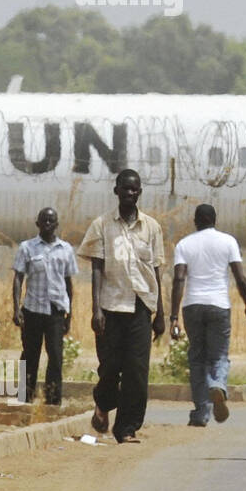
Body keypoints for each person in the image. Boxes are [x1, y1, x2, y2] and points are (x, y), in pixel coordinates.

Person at [77, 169, 165, 444]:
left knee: (137, 372)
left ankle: (126, 428)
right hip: (111, 306)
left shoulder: (151, 227)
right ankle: (103, 405)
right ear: (116, 191)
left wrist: (160, 312)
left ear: (140, 192)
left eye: (135, 189)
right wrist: (96, 310)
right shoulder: (102, 225)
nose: (130, 193)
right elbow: (96, 269)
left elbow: (156, 270)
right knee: (110, 369)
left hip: (140, 306)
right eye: (125, 189)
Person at [170, 204, 246, 427]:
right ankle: (217, 384)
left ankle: (201, 413)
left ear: (195, 221)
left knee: (197, 358)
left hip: (192, 305)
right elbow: (240, 278)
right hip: (219, 305)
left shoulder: (184, 244)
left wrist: (173, 317)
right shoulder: (228, 242)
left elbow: (179, 279)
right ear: (215, 220)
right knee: (218, 355)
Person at [11, 207, 78, 405]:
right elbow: (18, 279)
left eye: (51, 221)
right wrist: (16, 308)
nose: (47, 224)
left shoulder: (65, 250)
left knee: (56, 357)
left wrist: (70, 314)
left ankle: (52, 399)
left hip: (56, 312)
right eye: (44, 221)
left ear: (57, 224)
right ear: (37, 223)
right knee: (30, 355)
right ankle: (25, 397)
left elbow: (68, 284)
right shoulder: (27, 248)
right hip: (32, 310)